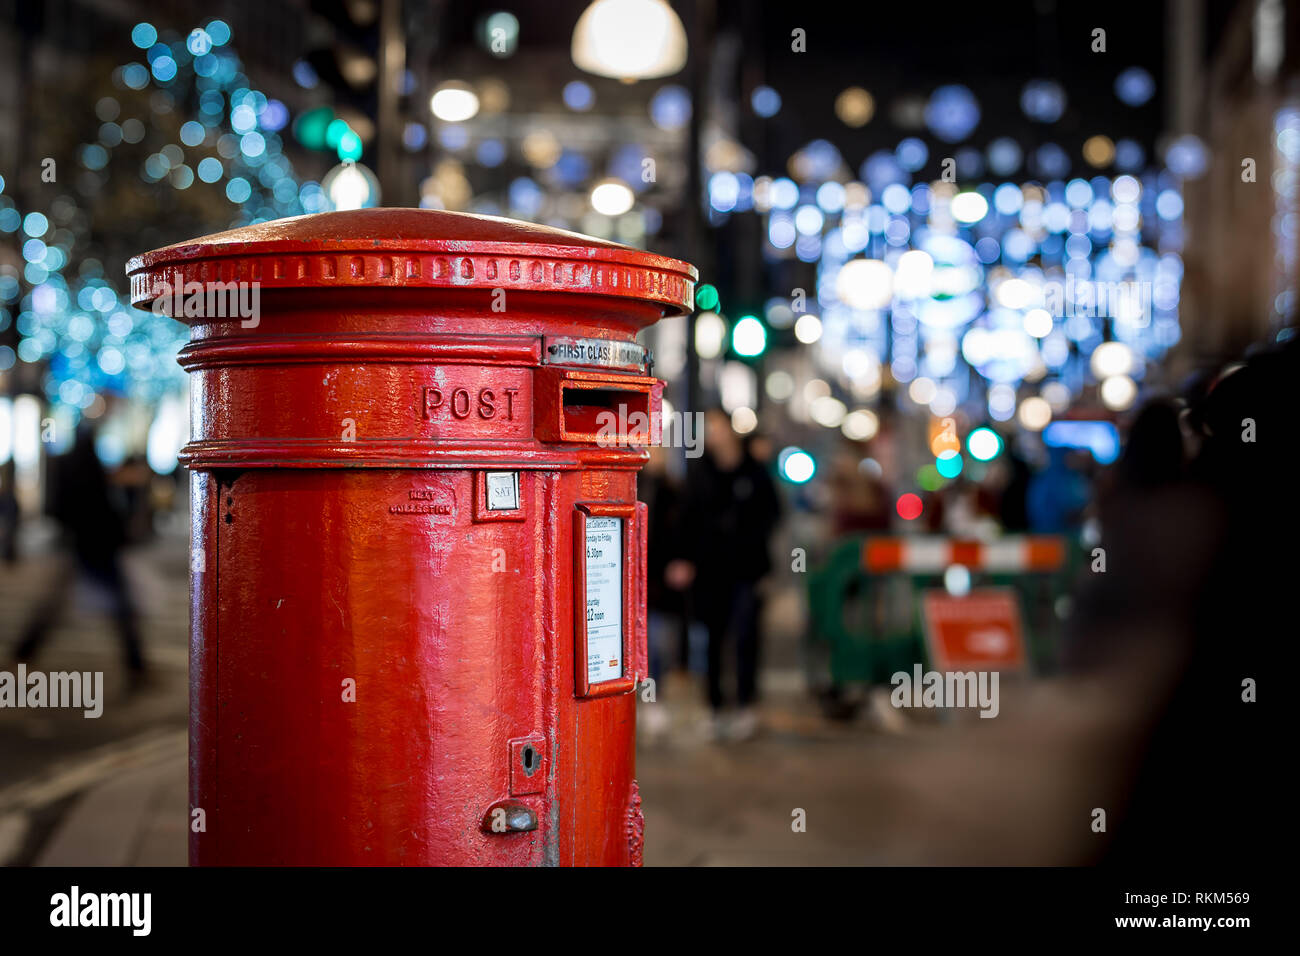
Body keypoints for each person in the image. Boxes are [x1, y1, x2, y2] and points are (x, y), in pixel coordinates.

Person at [10, 423, 147, 685]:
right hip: (96, 543)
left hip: (79, 541)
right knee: (120, 605)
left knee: (56, 599)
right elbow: (101, 506)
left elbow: (61, 504)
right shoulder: (88, 467)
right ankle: (135, 662)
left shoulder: (69, 464)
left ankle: (26, 648)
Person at [683, 408, 780, 740]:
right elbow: (688, 519)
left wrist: (762, 566)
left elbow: (771, 517)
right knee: (711, 638)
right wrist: (686, 559)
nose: (713, 434)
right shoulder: (700, 473)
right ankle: (714, 706)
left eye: (717, 426)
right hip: (710, 571)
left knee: (745, 637)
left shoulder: (754, 472)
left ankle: (745, 705)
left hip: (746, 571)